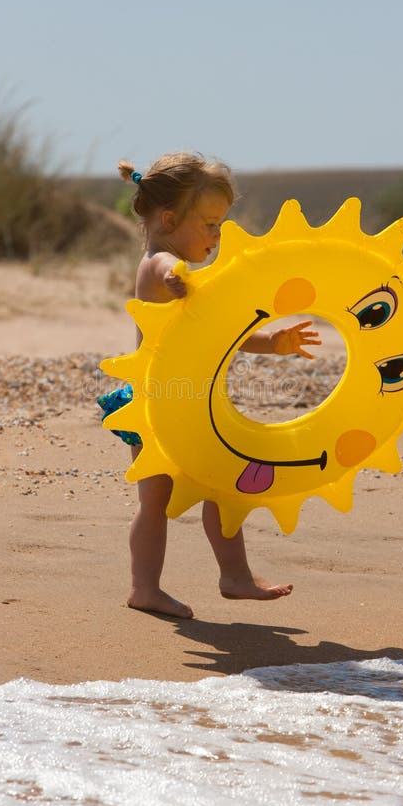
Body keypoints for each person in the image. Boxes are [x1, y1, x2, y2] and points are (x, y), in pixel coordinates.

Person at [98, 152, 321, 619]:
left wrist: (274, 343)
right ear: (169, 218)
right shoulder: (160, 265)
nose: (217, 236)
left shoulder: (189, 273)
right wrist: (177, 279)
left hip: (193, 410)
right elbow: (159, 271)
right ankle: (145, 588)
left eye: (221, 224)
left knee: (223, 489)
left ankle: (234, 576)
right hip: (157, 408)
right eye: (210, 224)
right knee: (155, 501)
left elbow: (224, 335)